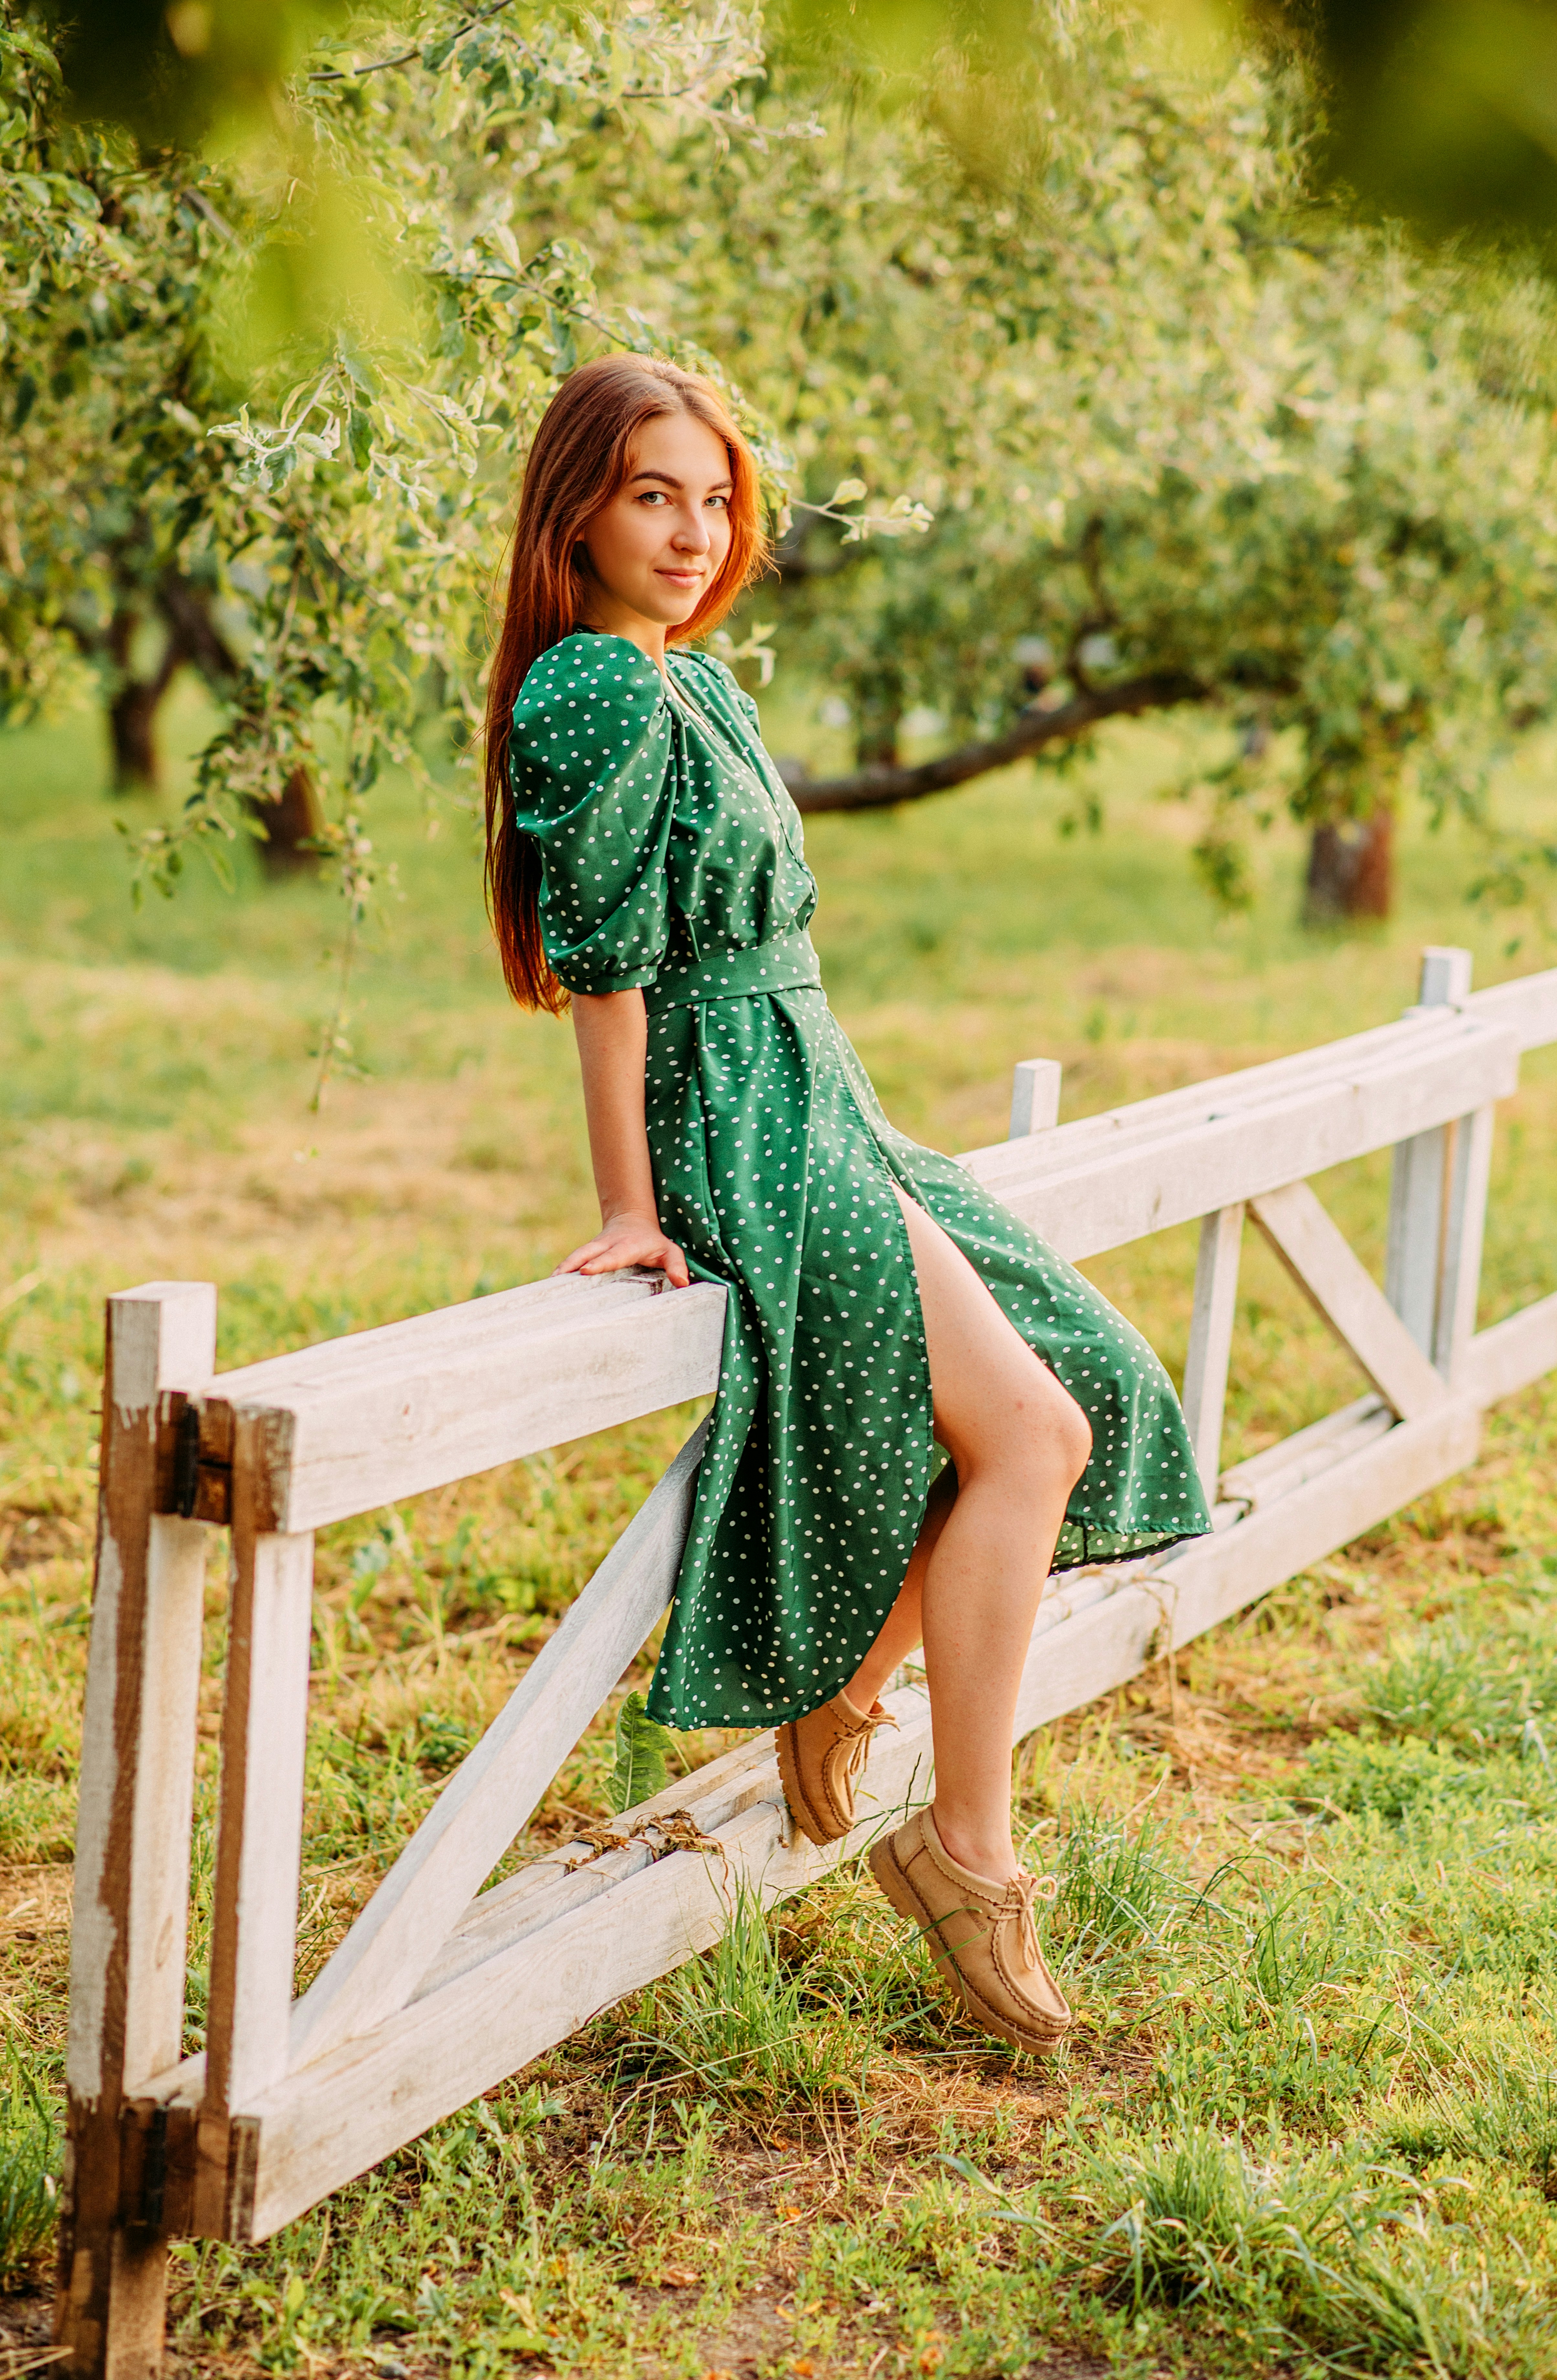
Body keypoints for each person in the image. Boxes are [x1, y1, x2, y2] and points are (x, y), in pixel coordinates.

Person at [483, 353, 1211, 2056]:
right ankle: (969, 1854)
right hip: (739, 1114)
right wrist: (629, 1202)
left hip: (824, 1088)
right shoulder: (590, 689)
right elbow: (610, 970)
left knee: (1076, 1381)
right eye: (652, 493)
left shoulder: (697, 684)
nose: (690, 529)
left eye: (716, 497)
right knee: (1030, 1433)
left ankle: (855, 1688)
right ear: (575, 509)